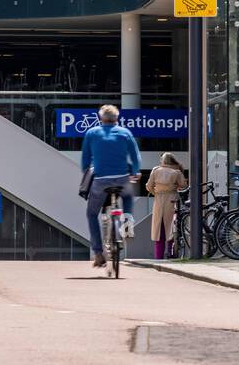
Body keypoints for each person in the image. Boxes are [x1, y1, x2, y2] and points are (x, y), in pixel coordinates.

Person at [80, 104, 140, 268]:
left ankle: (98, 253)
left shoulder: (92, 133)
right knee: (127, 196)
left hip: (100, 180)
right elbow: (135, 157)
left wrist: (86, 172)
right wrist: (135, 171)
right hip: (122, 178)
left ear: (101, 118)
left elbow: (85, 159)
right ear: (116, 119)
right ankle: (127, 222)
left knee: (92, 214)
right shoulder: (125, 133)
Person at [146, 153, 188, 259]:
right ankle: (171, 253)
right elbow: (184, 186)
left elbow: (149, 186)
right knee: (171, 228)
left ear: (163, 161)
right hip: (172, 199)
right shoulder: (176, 172)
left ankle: (158, 256)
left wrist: (156, 192)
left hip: (159, 200)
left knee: (158, 230)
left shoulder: (156, 170)